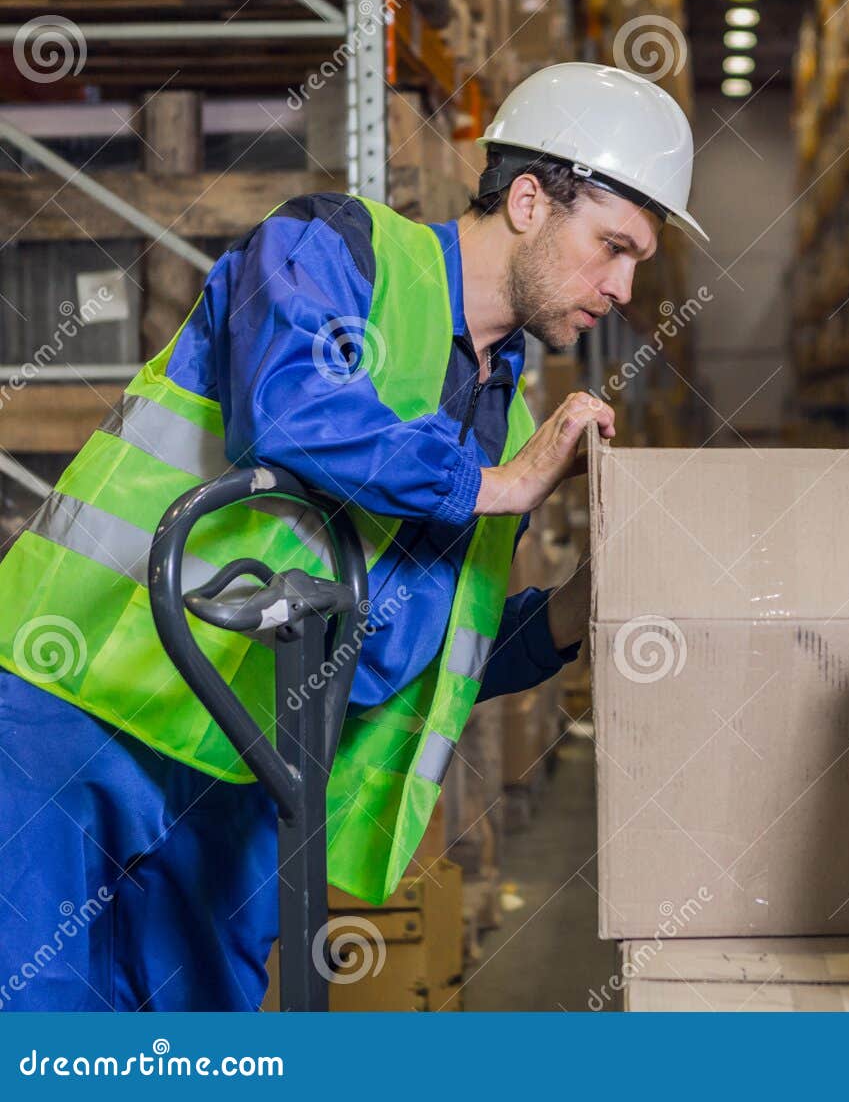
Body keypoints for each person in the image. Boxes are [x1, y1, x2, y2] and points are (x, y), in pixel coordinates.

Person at [0, 62, 705, 1011]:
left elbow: (419, 652)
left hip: (244, 780)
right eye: (612, 246)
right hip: (85, 714)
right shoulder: (333, 246)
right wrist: (496, 484)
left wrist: (578, 609)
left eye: (638, 262)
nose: (623, 286)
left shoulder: (497, 403)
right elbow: (288, 413)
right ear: (531, 200)